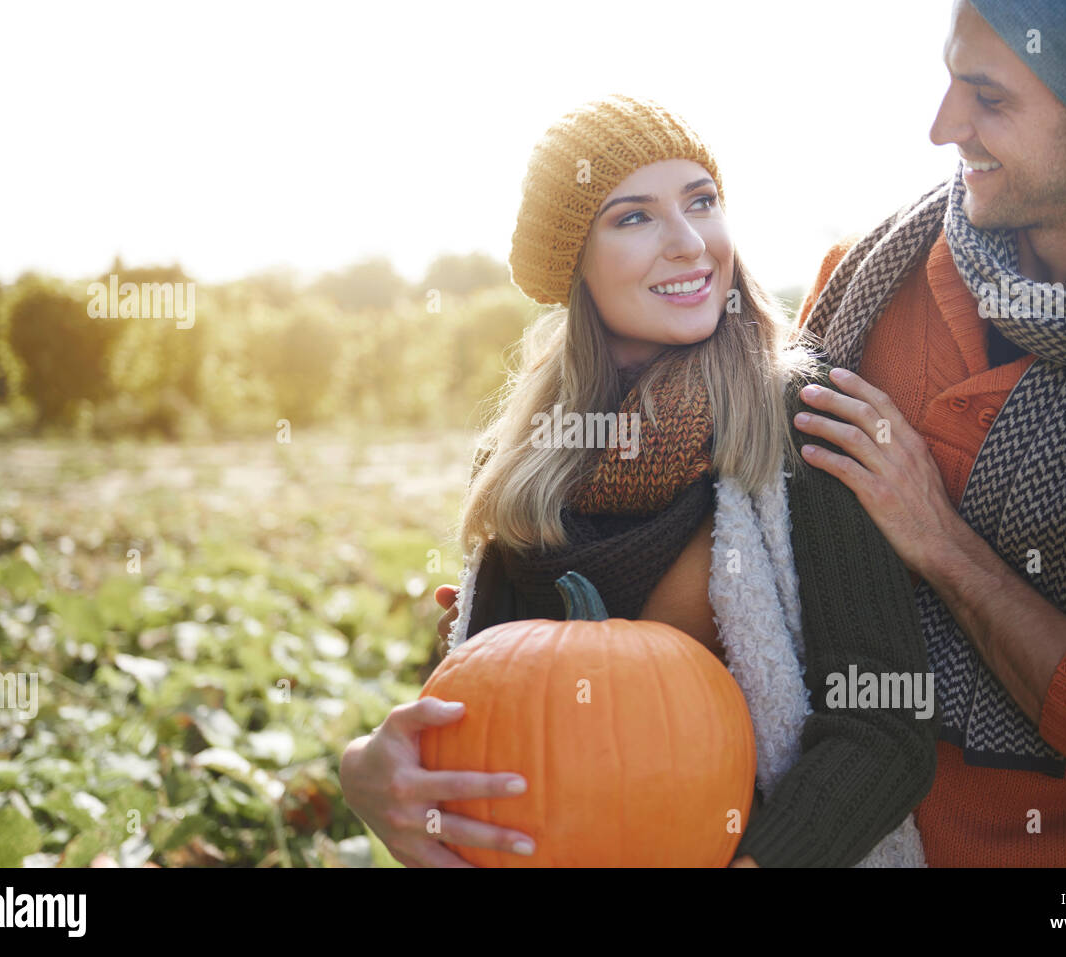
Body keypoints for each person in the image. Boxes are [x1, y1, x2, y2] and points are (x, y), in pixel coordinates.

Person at [340, 94, 939, 867]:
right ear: (575, 266)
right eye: (633, 218)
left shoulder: (794, 416)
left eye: (702, 202)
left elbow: (884, 730)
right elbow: (493, 705)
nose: (689, 243)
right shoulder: (523, 462)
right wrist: (363, 768)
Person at [787, 0, 1066, 865]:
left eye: (987, 97)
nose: (941, 126)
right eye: (951, 78)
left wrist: (945, 547)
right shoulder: (865, 279)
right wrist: (551, 603)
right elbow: (744, 548)